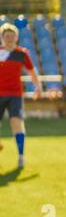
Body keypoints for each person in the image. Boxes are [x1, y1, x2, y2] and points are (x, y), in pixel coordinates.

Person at [0, 22, 42, 170]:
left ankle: (21, 156)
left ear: (16, 37)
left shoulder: (22, 53)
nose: (9, 38)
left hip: (15, 94)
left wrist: (38, 86)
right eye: (6, 36)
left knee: (16, 123)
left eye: (12, 36)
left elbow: (31, 71)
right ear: (2, 38)